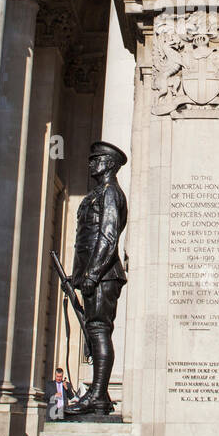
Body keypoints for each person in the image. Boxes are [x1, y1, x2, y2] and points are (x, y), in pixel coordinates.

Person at [65, 142, 129, 416]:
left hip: (104, 275)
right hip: (93, 275)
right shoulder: (97, 195)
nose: (91, 164)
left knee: (100, 329)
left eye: (97, 159)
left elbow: (107, 236)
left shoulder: (111, 194)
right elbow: (85, 241)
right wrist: (76, 276)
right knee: (94, 330)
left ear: (110, 164)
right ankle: (97, 394)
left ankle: (99, 394)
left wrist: (90, 275)